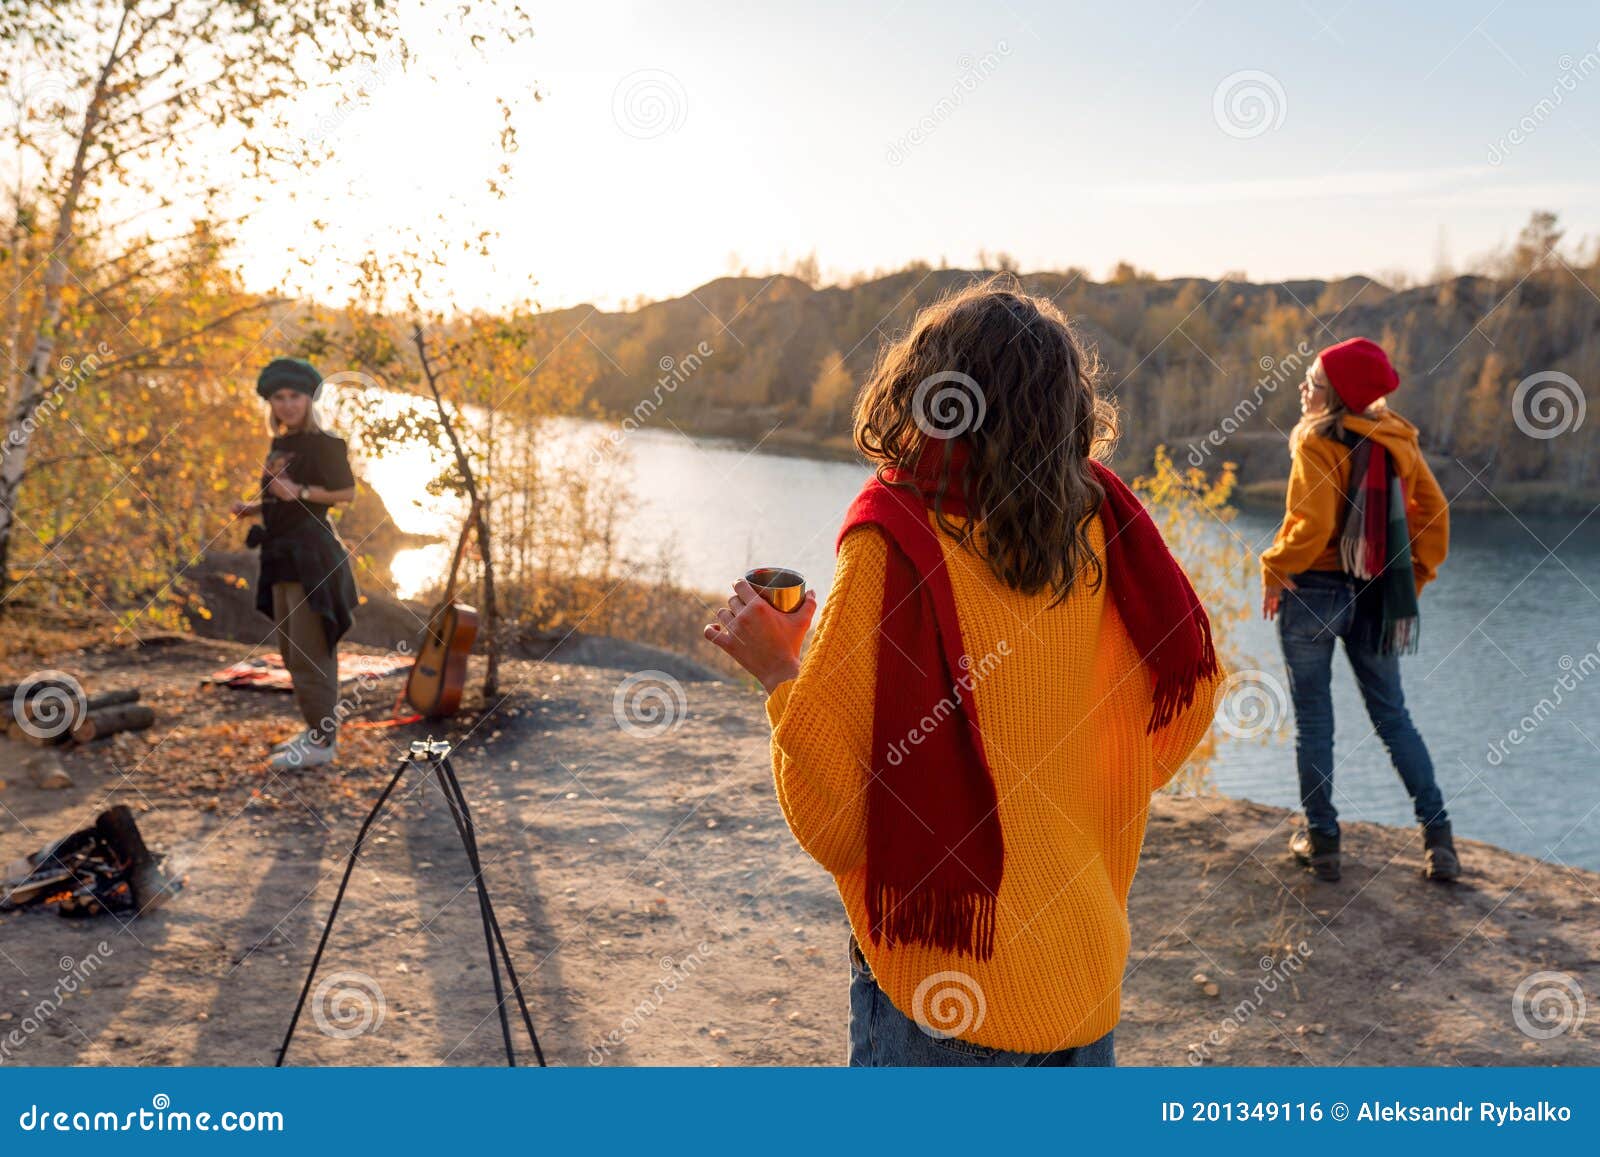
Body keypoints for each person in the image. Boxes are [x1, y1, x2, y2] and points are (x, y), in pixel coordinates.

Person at [704, 277, 1224, 1066]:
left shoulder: (890, 539)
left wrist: (782, 669)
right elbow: (1176, 718)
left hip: (948, 990)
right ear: (1065, 408)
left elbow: (839, 822)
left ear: (922, 392)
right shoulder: (1105, 526)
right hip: (1081, 976)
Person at [1260, 337, 1456, 884]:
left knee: (1315, 722)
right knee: (1393, 717)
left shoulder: (1315, 441)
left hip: (1314, 592)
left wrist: (1274, 565)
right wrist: (1411, 577)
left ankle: (1323, 843)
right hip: (1376, 594)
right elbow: (1433, 517)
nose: (1303, 390)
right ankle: (1439, 840)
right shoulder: (1398, 439)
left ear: (1339, 396)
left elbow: (1313, 527)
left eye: (1314, 383)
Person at [231, 358, 360, 772]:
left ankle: (324, 742)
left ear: (310, 399)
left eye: (295, 397)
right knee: (290, 651)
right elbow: (282, 498)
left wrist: (301, 490)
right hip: (280, 557)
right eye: (279, 398)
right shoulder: (280, 444)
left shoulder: (327, 444)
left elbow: (345, 493)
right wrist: (253, 509)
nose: (287, 405)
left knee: (311, 651)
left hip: (312, 558)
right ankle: (314, 730)